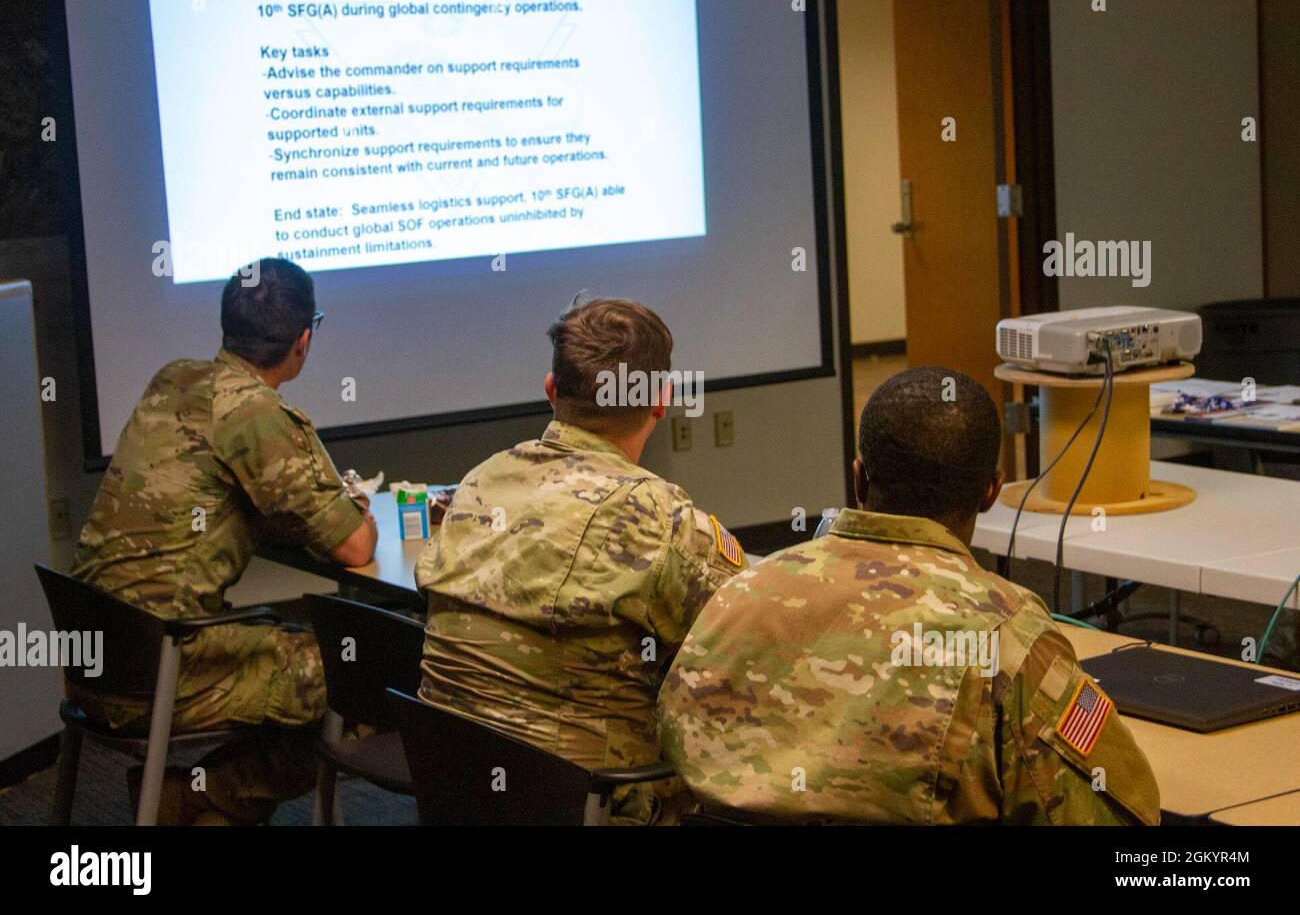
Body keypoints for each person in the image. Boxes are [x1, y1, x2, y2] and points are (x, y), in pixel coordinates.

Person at [658, 366, 1160, 825]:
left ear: (858, 479)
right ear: (991, 491)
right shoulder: (1006, 640)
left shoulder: (736, 594)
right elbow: (1119, 816)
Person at [415, 296, 745, 823]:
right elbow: (750, 643)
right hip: (593, 800)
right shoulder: (663, 520)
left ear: (551, 392)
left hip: (455, 784)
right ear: (661, 401)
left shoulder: (481, 480)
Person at [71, 257, 376, 824]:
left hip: (95, 659)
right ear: (303, 341)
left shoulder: (174, 379)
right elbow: (355, 548)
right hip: (163, 669)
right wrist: (352, 504)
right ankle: (197, 797)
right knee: (364, 675)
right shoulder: (259, 414)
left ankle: (201, 805)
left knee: (295, 647)